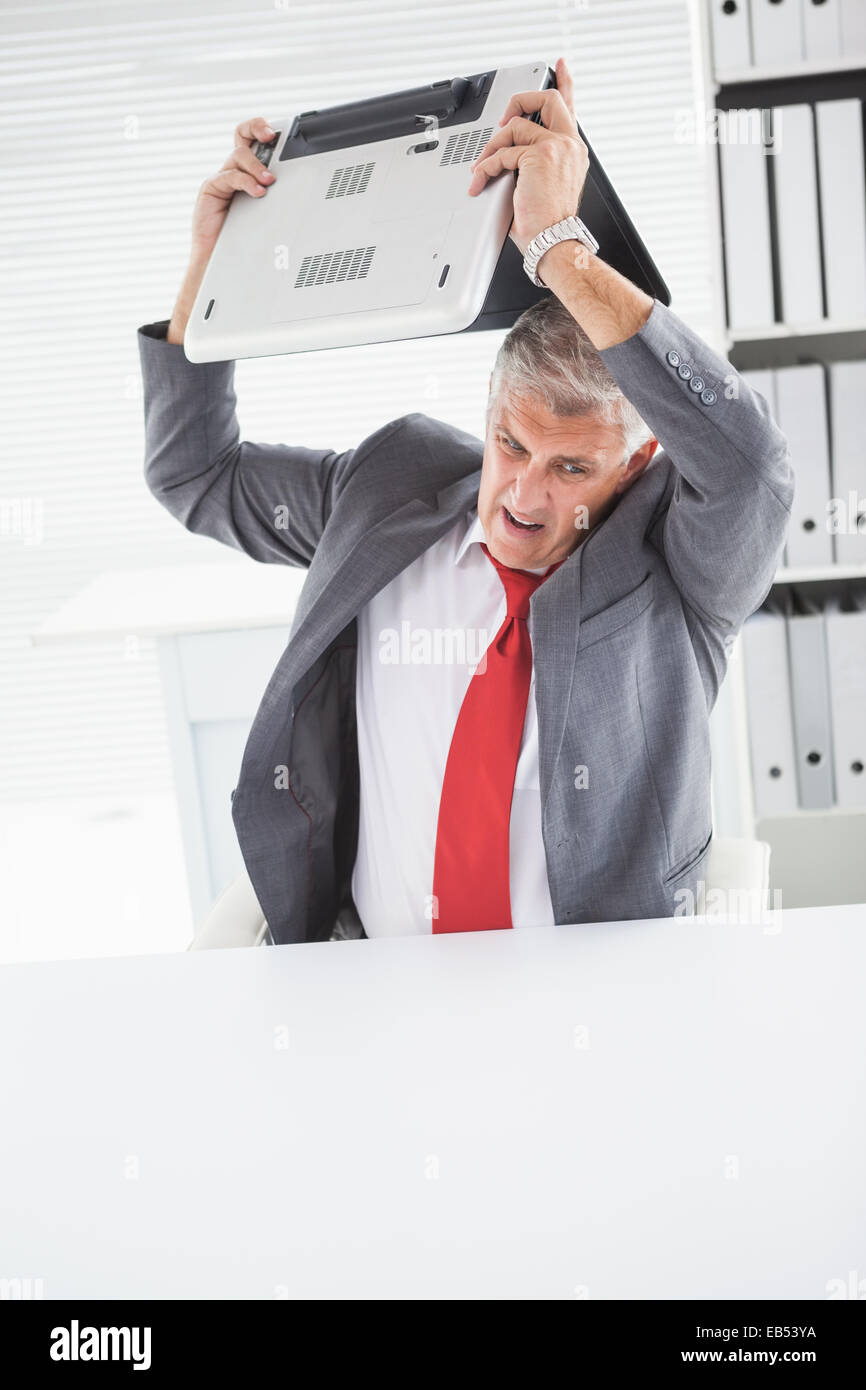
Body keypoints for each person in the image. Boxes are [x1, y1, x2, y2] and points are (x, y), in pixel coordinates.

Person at [137, 57, 793, 944]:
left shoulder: (681, 562)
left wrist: (560, 246)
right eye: (511, 446)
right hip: (373, 982)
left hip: (597, 1004)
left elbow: (752, 468)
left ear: (640, 461)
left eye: (571, 470)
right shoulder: (393, 488)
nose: (522, 495)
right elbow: (195, 475)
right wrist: (213, 272)